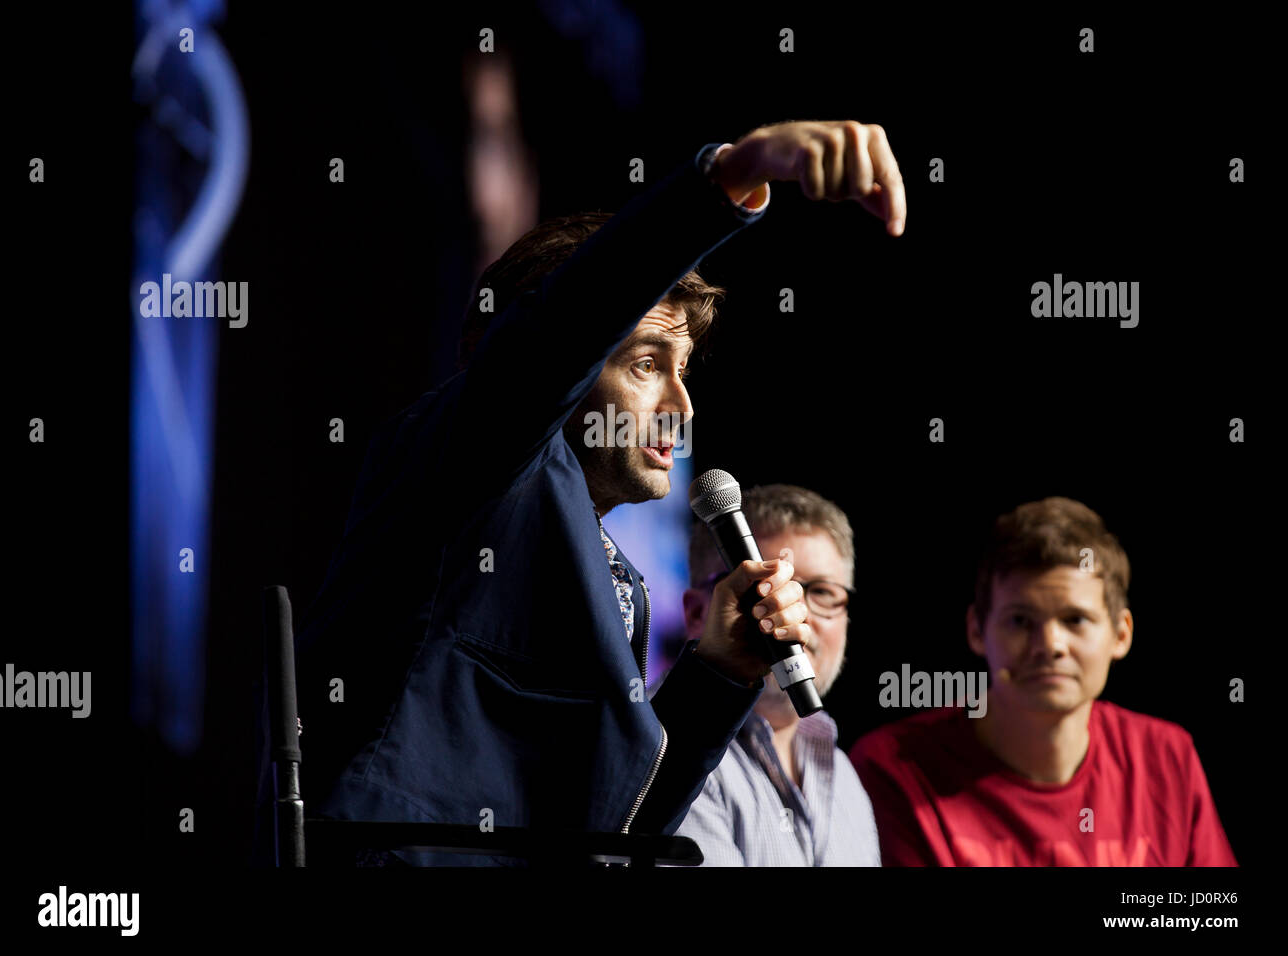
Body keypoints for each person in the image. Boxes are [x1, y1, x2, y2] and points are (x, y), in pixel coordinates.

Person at [292, 121, 909, 865]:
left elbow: (612, 834)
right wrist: (722, 182)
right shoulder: (468, 459)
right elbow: (558, 330)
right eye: (647, 363)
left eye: (685, 369)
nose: (682, 408)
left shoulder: (616, 577)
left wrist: (718, 672)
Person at [849, 497, 1238, 866]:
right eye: (1020, 620)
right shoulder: (893, 769)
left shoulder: (1167, 757)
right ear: (976, 631)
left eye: (1075, 620)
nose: (1050, 645)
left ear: (1121, 634)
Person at [674, 484, 880, 866]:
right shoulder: (665, 757)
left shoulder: (847, 777)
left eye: (820, 591)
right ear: (697, 614)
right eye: (764, 590)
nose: (794, 612)